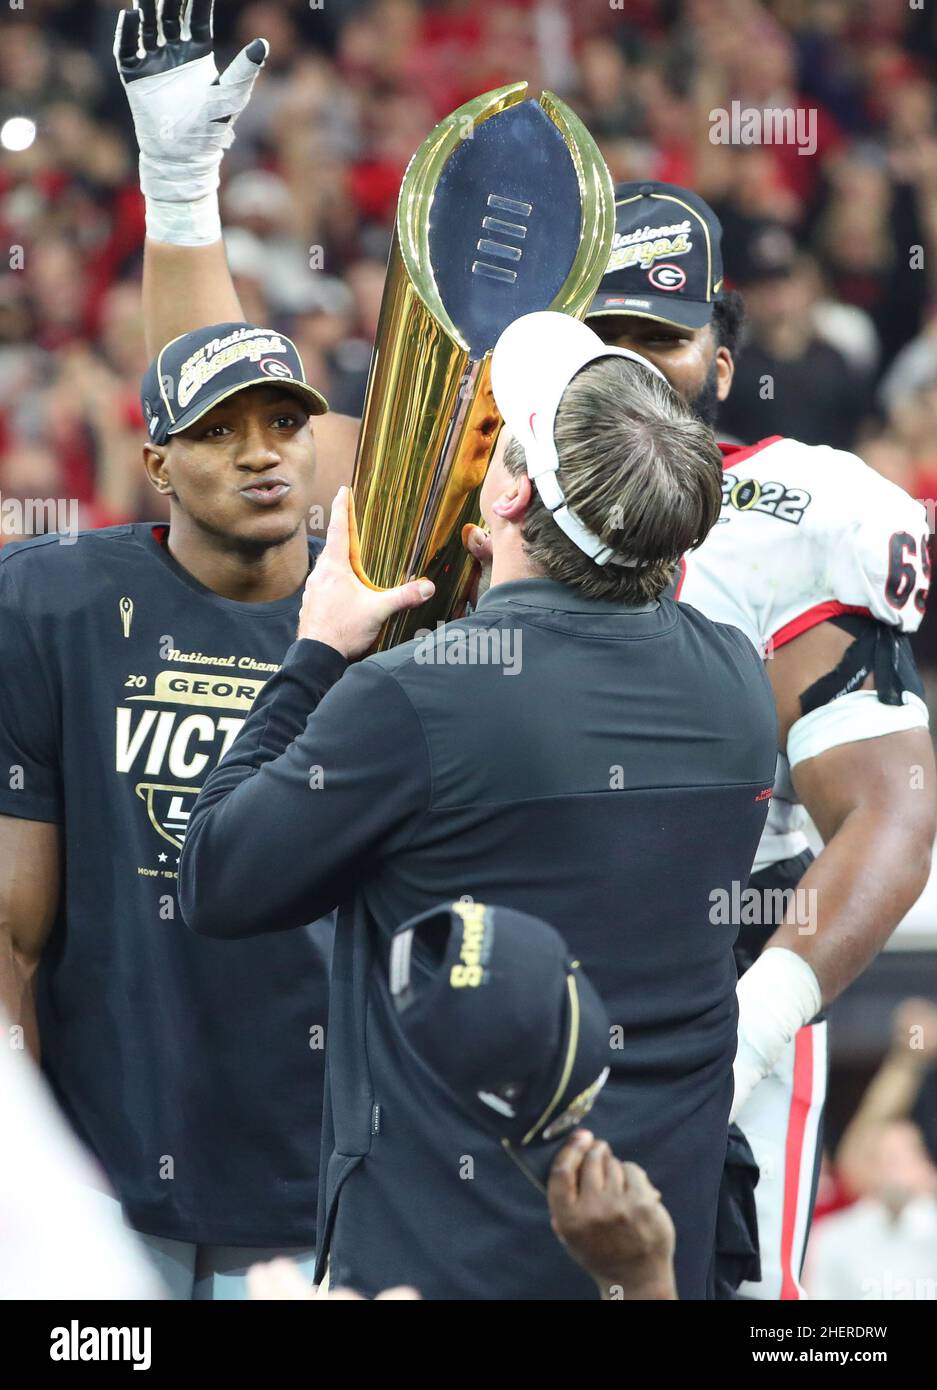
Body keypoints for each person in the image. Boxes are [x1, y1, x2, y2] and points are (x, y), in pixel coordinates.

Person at [178, 308, 778, 1300]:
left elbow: (218, 876)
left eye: (503, 443)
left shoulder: (413, 695)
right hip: (652, 1254)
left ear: (506, 494)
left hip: (437, 1263)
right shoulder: (735, 680)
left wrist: (316, 651)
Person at [579, 180, 937, 1299]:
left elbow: (895, 811)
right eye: (608, 341)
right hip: (511, 987)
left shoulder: (807, 506)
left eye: (663, 339)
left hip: (718, 985)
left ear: (720, 365)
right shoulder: (483, 514)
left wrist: (756, 1023)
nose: (637, 371)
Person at [0, 324, 341, 1300]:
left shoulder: (385, 618)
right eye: (215, 431)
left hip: (310, 1173)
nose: (260, 452)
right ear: (156, 461)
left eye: (284, 421)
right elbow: (9, 932)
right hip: (101, 1170)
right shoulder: (50, 605)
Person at [804, 998, 937, 1300]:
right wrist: (908, 1057)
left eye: (904, 1158)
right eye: (886, 1160)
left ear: (928, 1170)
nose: (893, 1170)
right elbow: (870, 1130)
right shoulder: (839, 1229)